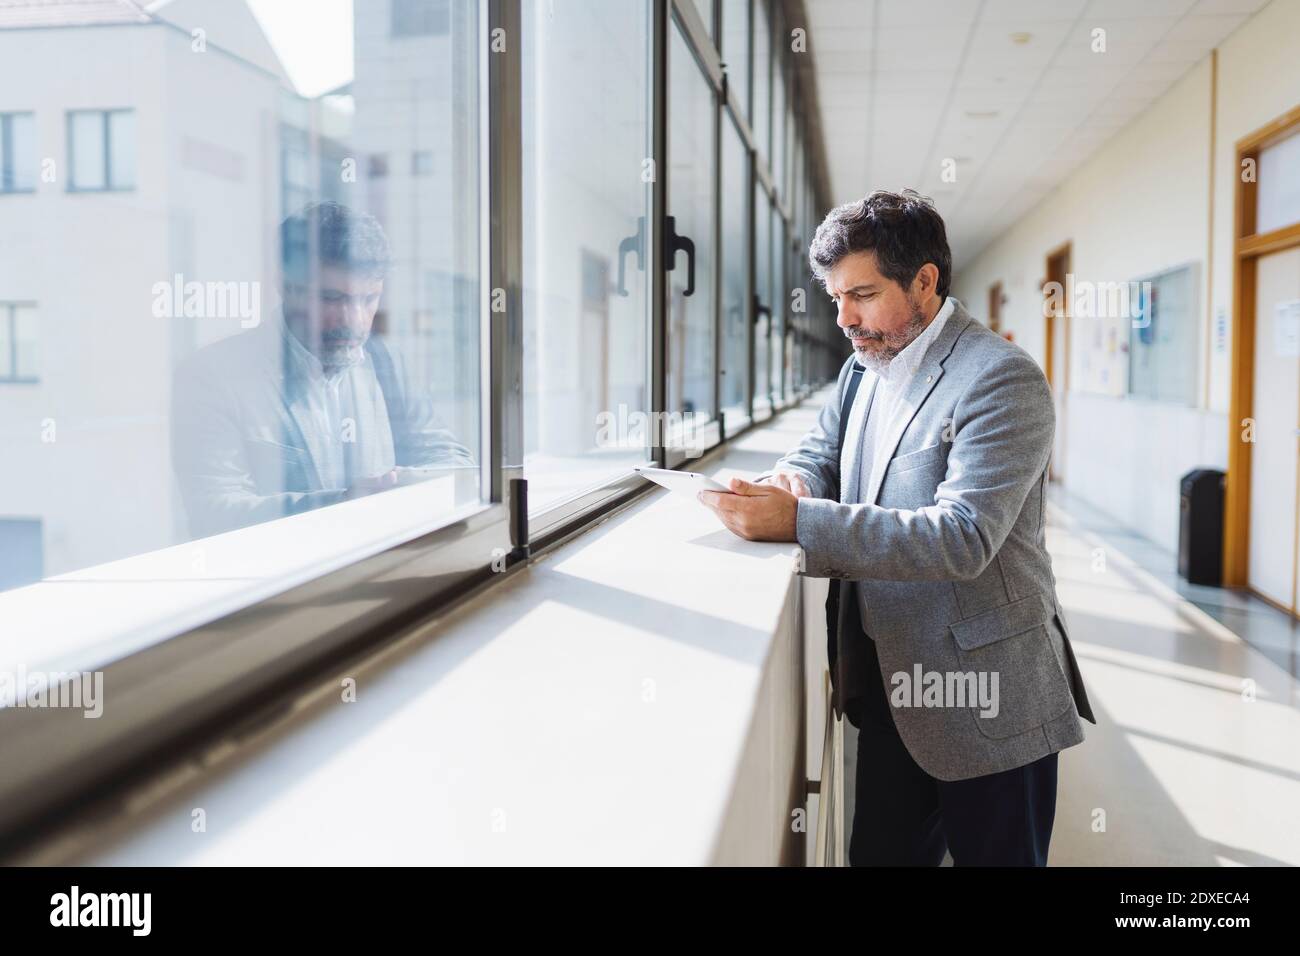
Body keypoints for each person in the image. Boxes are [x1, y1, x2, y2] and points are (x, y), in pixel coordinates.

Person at [698, 189, 1095, 866]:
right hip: (887, 686)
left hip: (989, 696)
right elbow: (820, 452)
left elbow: (962, 537)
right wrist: (793, 480)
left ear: (925, 281)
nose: (845, 318)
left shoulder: (1000, 379)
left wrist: (800, 521)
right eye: (834, 299)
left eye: (861, 293)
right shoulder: (865, 365)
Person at [172, 201, 475, 538]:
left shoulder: (389, 362)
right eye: (332, 298)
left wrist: (412, 484)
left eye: (369, 298)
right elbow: (215, 513)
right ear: (286, 286)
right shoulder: (211, 376)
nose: (354, 320)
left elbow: (449, 458)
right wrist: (346, 506)